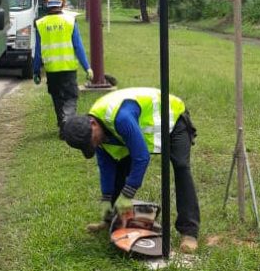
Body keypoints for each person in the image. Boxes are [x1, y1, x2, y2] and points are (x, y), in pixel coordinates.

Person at [61, 87, 200, 253]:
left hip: (172, 117)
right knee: (119, 167)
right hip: (140, 130)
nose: (95, 145)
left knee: (181, 166)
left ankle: (189, 232)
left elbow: (141, 157)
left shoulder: (121, 118)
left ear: (93, 124)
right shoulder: (93, 130)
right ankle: (112, 219)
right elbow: (106, 165)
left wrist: (128, 194)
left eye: (93, 141)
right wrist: (106, 198)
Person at [33, 0, 93, 137]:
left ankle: (63, 126)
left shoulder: (40, 23)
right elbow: (78, 47)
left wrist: (35, 71)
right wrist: (87, 68)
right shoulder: (70, 21)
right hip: (68, 68)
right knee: (70, 97)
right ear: (62, 3)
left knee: (57, 98)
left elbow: (38, 50)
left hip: (51, 69)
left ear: (47, 3)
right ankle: (67, 124)